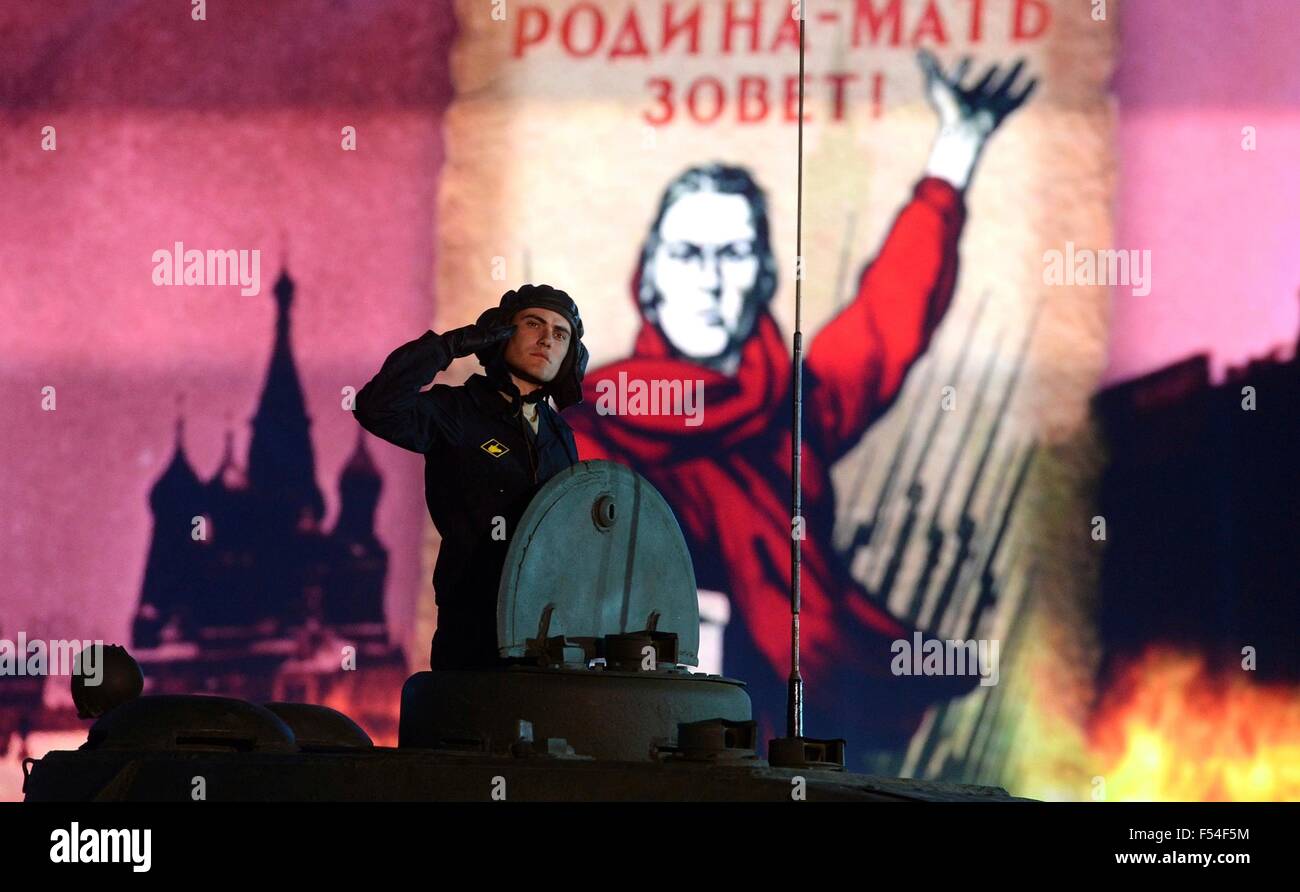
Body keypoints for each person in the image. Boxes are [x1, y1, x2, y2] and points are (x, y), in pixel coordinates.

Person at [567, 51, 1037, 755]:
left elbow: (887, 320)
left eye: (732, 254)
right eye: (688, 254)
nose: (710, 279)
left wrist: (957, 151)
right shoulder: (594, 432)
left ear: (761, 274)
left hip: (814, 739)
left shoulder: (790, 413)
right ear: (652, 276)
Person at [353, 284, 588, 669]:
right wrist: (449, 346)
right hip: (473, 628)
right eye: (533, 323)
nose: (547, 339)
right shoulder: (457, 410)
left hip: (546, 635)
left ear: (571, 356)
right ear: (499, 332)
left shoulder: (560, 434)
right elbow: (376, 407)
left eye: (561, 334)